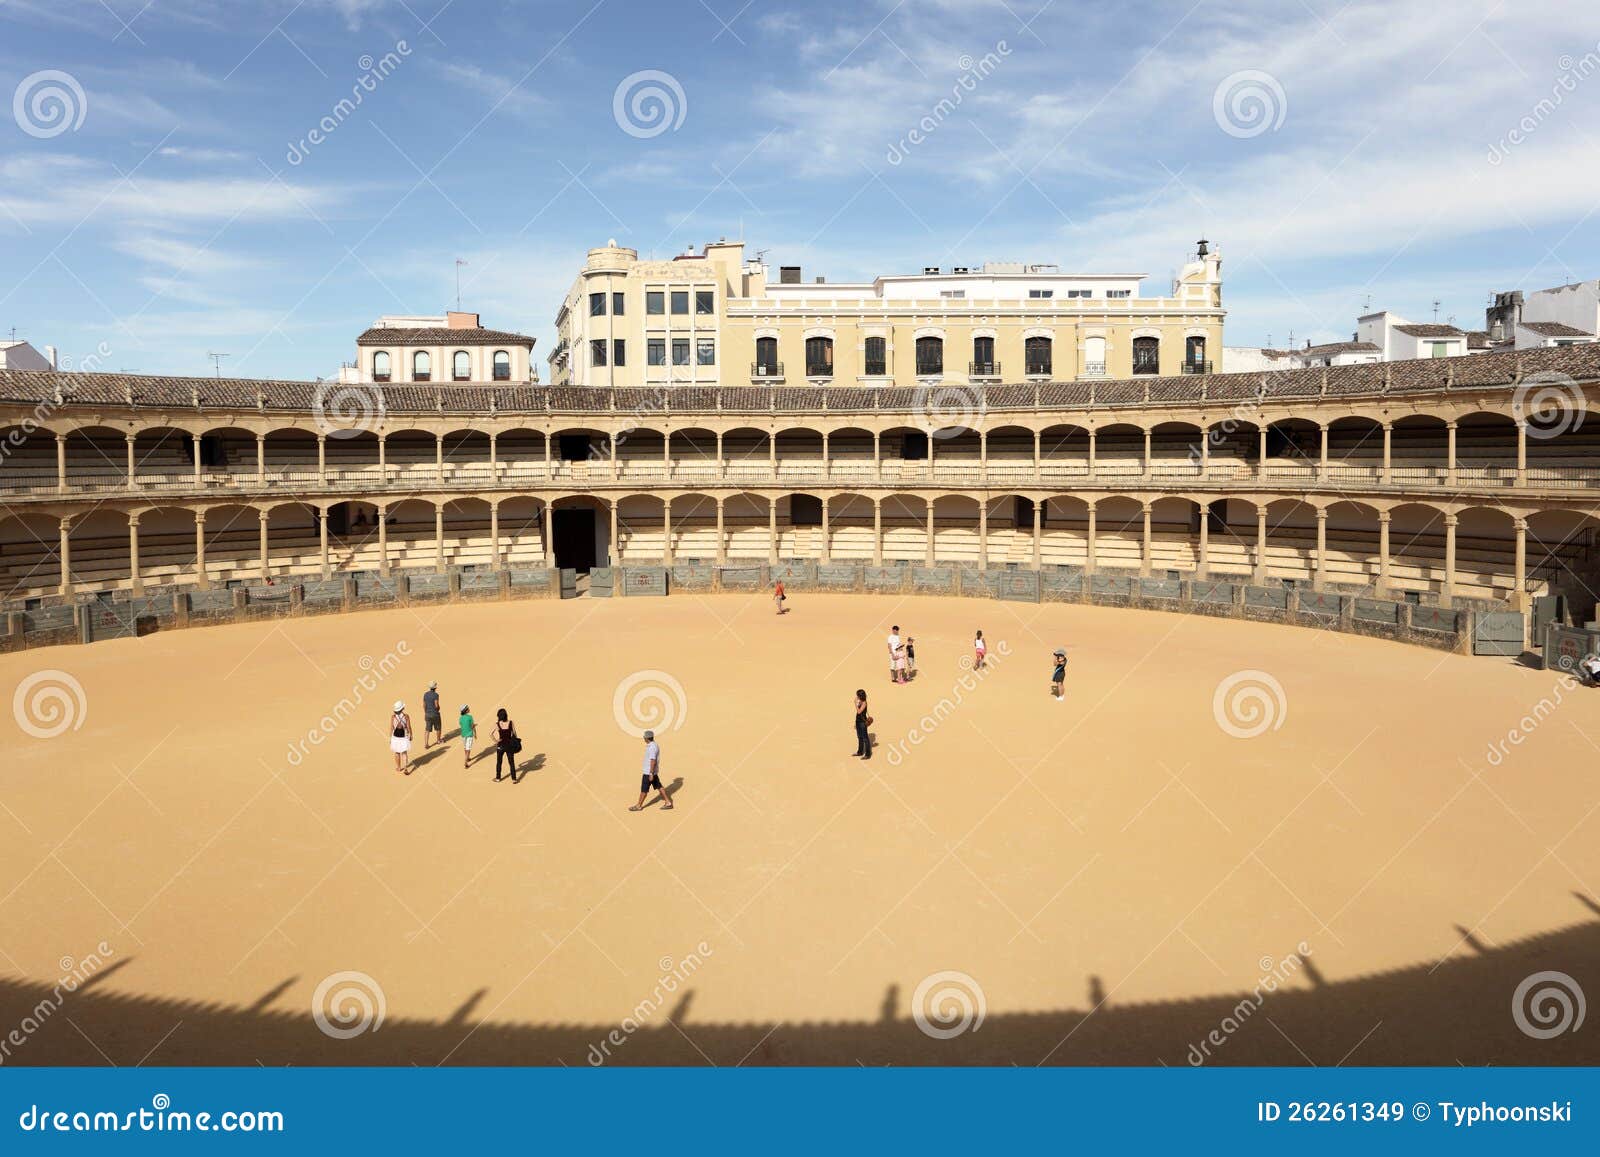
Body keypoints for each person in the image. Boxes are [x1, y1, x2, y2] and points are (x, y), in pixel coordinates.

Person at [630, 729, 674, 811]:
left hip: (648, 772)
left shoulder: (652, 747)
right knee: (659, 786)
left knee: (644, 790)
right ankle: (668, 802)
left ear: (646, 738)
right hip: (653, 772)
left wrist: (650, 773)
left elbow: (653, 760)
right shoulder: (654, 745)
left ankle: (638, 805)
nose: (644, 738)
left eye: (644, 737)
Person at [493, 707, 520, 782]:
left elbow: (490, 734)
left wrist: (496, 741)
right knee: (511, 762)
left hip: (500, 746)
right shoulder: (511, 722)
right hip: (509, 746)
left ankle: (498, 778)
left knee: (499, 762)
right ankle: (514, 779)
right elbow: (514, 733)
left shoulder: (497, 724)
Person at [389, 699, 413, 775]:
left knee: (397, 752)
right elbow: (409, 727)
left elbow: (392, 727)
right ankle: (405, 768)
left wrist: (390, 738)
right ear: (402, 708)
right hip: (403, 736)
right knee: (404, 752)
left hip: (395, 736)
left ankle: (399, 767)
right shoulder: (406, 716)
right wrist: (411, 734)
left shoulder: (393, 717)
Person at [422, 681, 442, 749]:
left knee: (427, 729)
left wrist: (426, 712)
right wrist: (439, 708)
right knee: (438, 727)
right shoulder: (436, 695)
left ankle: (426, 744)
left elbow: (424, 705)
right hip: (435, 714)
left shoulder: (425, 694)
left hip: (427, 714)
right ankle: (438, 740)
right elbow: (436, 705)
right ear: (435, 688)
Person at [853, 689, 872, 759]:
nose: (856, 696)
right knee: (859, 737)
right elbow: (857, 715)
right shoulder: (861, 701)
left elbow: (859, 712)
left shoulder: (864, 702)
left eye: (857, 695)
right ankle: (860, 752)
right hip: (858, 721)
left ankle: (868, 754)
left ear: (860, 696)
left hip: (862, 723)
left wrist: (855, 703)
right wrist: (855, 723)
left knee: (865, 738)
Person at [459, 704, 476, 769]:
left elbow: (461, 725)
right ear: (466, 710)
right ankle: (465, 763)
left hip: (463, 735)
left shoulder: (460, 718)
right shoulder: (470, 717)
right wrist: (475, 733)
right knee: (468, 749)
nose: (469, 709)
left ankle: (467, 758)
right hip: (469, 735)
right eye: (468, 708)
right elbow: (472, 726)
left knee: (465, 747)